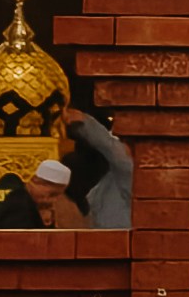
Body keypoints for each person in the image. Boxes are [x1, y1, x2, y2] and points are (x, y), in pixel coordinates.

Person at [58, 92, 135, 229]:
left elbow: (112, 149)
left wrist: (84, 122)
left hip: (117, 237)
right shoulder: (115, 175)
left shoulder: (132, 171)